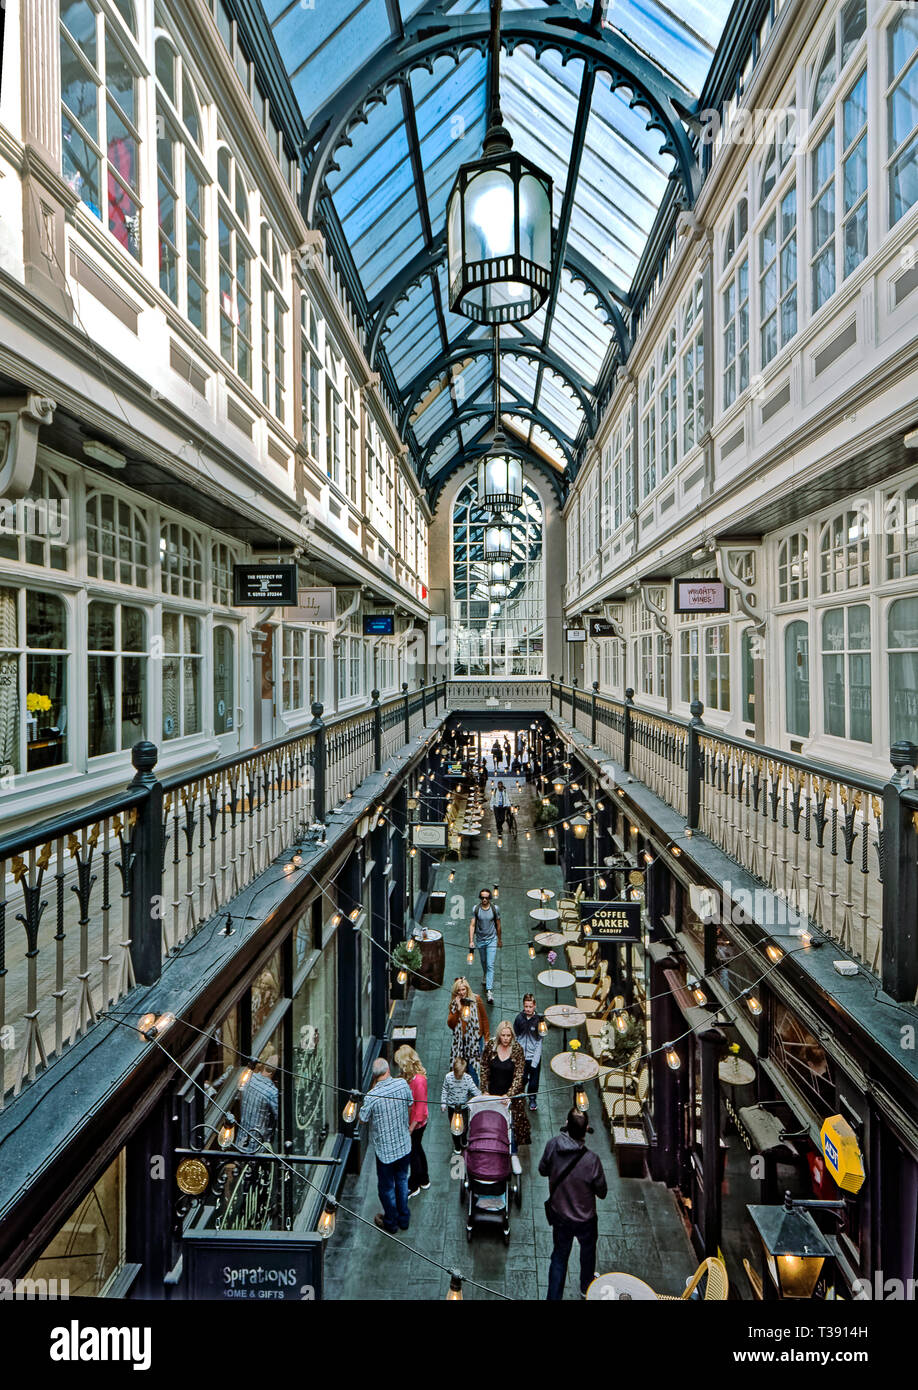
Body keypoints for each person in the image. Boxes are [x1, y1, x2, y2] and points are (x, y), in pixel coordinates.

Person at [539, 1108, 608, 1300]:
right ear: (586, 1129)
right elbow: (602, 1192)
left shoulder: (553, 1145)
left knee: (559, 1257)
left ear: (567, 1125)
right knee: (588, 1253)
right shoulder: (592, 1160)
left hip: (560, 1214)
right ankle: (586, 1287)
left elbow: (542, 1170)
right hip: (585, 1218)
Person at [359, 1057, 413, 1234]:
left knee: (387, 1187)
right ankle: (404, 1218)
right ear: (388, 1069)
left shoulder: (372, 1096)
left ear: (374, 1077)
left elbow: (362, 1119)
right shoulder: (402, 1085)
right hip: (404, 1145)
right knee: (402, 1180)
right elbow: (410, 1105)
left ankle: (391, 1221)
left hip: (385, 1152)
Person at [480, 1020, 531, 1166]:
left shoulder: (517, 1049)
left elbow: (519, 1074)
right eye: (503, 1035)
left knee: (512, 1124)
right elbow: (484, 1068)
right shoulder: (491, 1046)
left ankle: (514, 1154)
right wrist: (484, 1090)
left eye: (509, 1035)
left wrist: (509, 1094)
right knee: (492, 1122)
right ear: (499, 1035)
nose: (506, 1038)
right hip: (493, 1093)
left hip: (510, 1096)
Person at [395, 1045, 429, 1197]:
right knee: (417, 1149)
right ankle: (424, 1178)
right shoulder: (409, 1077)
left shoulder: (419, 1081)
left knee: (412, 1153)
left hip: (417, 1124)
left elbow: (420, 1107)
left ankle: (414, 1185)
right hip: (414, 1122)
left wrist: (411, 1127)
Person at [447, 976, 489, 1086]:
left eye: (463, 989)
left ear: (467, 989)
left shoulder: (476, 999)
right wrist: (459, 1008)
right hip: (460, 1042)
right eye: (459, 990)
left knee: (473, 1069)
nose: (461, 992)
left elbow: (484, 1019)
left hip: (475, 1041)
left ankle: (474, 1095)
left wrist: (487, 1038)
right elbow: (451, 1024)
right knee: (460, 1069)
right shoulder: (453, 1004)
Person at [236, 1051, 279, 1152]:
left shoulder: (248, 1078)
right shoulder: (272, 1092)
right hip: (258, 1147)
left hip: (241, 1139)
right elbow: (280, 1118)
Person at [441, 1056, 480, 1152]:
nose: (458, 1076)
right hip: (452, 1107)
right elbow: (445, 1090)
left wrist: (481, 1097)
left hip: (463, 1107)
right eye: (457, 1074)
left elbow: (475, 1091)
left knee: (465, 1126)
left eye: (460, 1074)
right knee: (454, 1128)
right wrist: (443, 1103)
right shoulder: (448, 1077)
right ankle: (457, 1146)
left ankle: (463, 1139)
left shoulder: (468, 1079)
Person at [468, 887, 501, 1003]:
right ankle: (485, 975)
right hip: (480, 939)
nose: (484, 900)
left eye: (486, 898)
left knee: (490, 964)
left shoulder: (495, 909)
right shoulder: (476, 909)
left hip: (492, 939)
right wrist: (471, 940)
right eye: (482, 897)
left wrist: (499, 940)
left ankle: (489, 991)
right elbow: (472, 925)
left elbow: (498, 924)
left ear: (489, 898)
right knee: (483, 961)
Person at [514, 993, 544, 1111]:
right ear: (523, 1005)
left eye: (530, 1007)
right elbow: (516, 1037)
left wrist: (535, 1061)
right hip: (522, 1057)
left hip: (534, 1057)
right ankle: (520, 1096)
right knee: (521, 1078)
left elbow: (540, 1042)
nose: (528, 1009)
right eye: (526, 1006)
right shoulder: (519, 1018)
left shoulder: (539, 1021)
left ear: (534, 1006)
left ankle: (532, 1098)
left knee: (534, 1081)